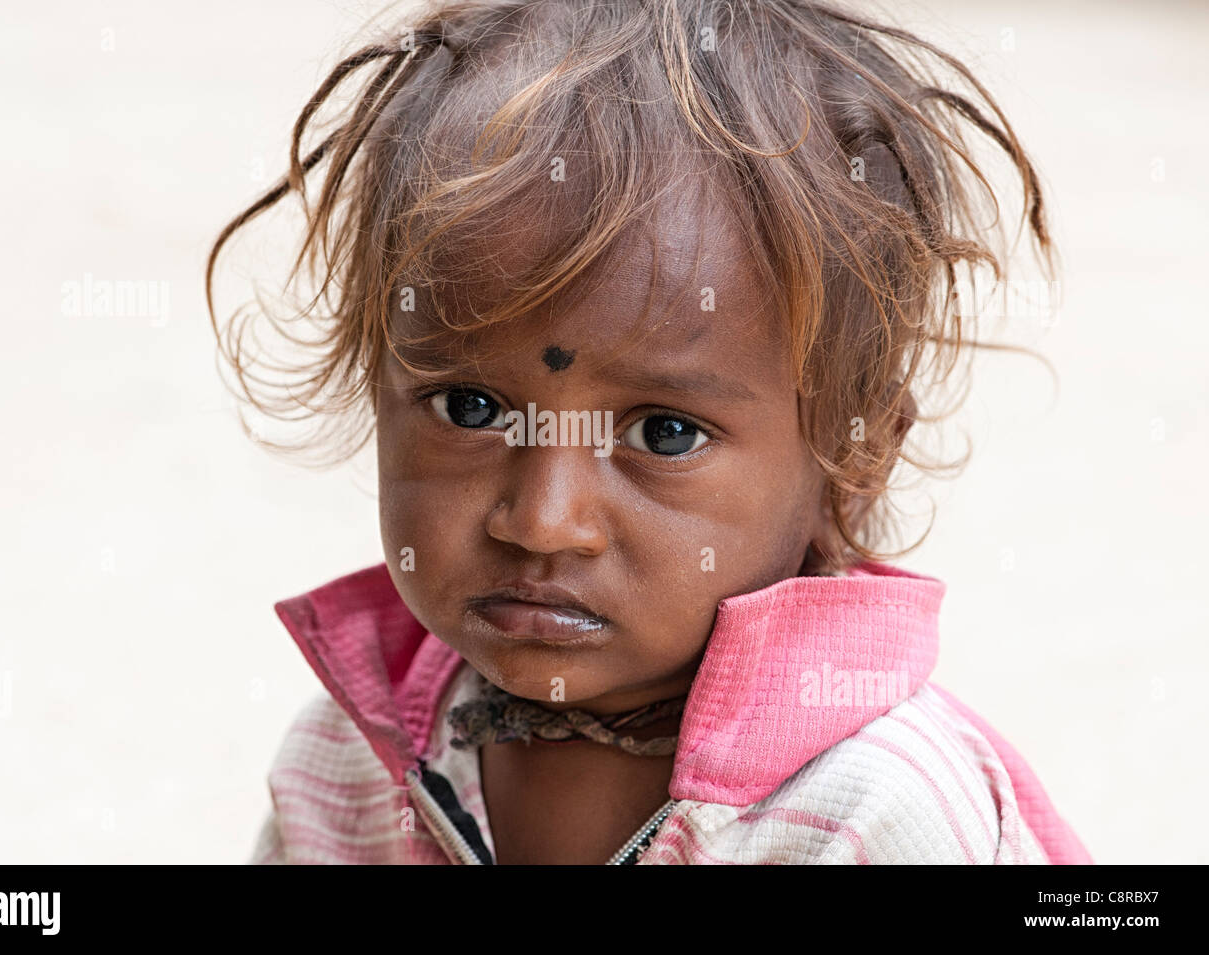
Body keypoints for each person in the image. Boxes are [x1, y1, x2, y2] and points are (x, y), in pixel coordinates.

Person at [207, 0, 1091, 864]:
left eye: (664, 433)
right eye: (469, 407)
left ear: (855, 456)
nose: (543, 520)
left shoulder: (874, 810)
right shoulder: (355, 755)